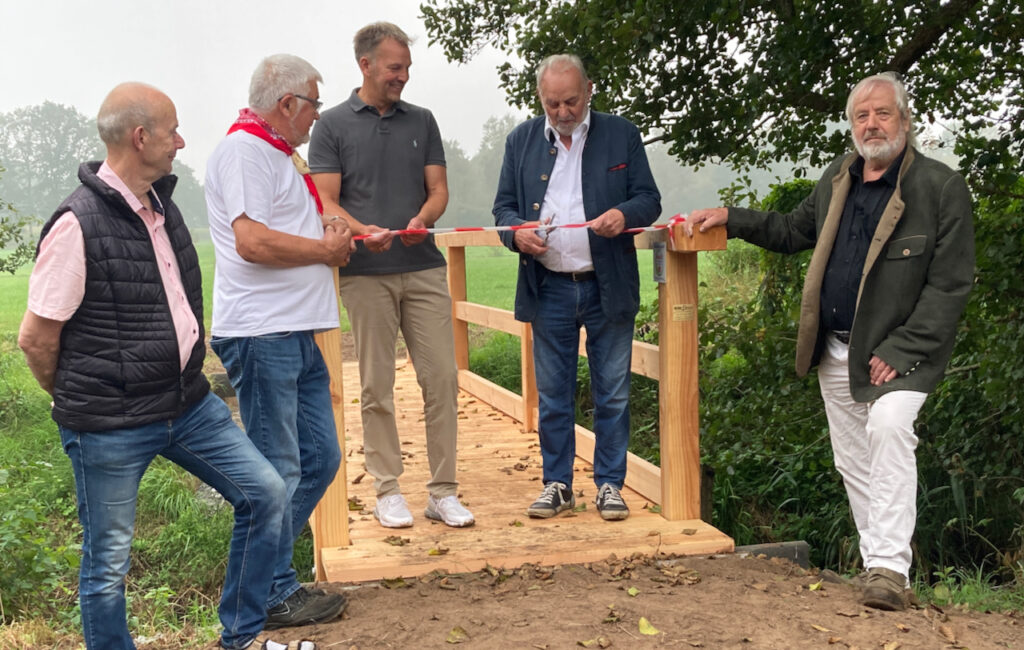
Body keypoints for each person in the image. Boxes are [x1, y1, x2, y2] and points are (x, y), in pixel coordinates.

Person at [685, 72, 974, 611]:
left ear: (905, 121)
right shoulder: (838, 177)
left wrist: (904, 348)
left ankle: (890, 567)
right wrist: (731, 217)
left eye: (883, 113)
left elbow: (951, 283)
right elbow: (794, 230)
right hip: (835, 349)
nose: (872, 124)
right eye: (861, 115)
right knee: (853, 461)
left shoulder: (939, 187)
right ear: (851, 124)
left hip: (899, 355)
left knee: (888, 431)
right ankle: (880, 572)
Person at [17, 82, 289, 650]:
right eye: (172, 131)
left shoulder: (162, 206)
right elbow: (36, 340)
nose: (181, 141)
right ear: (140, 138)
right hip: (109, 424)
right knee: (108, 565)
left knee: (266, 494)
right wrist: (76, 396)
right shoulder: (77, 223)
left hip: (188, 405)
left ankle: (240, 637)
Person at [205, 54, 351, 629]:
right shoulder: (244, 151)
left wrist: (339, 233)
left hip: (292, 328)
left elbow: (289, 230)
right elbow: (253, 242)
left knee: (319, 458)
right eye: (313, 102)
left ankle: (269, 584)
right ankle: (266, 594)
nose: (317, 115)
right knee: (279, 471)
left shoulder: (275, 154)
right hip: (262, 332)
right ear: (287, 103)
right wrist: (325, 249)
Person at [308, 22, 474, 529]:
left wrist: (423, 220)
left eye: (406, 68)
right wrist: (363, 231)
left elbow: (439, 189)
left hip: (423, 268)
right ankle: (387, 490)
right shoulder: (331, 125)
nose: (402, 76)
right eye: (394, 67)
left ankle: (443, 492)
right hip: (365, 273)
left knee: (442, 379)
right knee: (377, 385)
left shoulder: (422, 119)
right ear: (366, 65)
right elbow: (326, 201)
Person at [492, 54, 661, 521]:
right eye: (552, 104)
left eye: (570, 101)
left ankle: (610, 484)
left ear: (589, 90)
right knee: (553, 393)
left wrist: (625, 215)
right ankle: (557, 485)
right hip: (547, 287)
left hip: (608, 284)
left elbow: (650, 198)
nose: (563, 112)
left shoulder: (621, 134)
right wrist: (516, 234)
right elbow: (503, 211)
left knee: (613, 392)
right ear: (541, 100)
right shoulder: (521, 140)